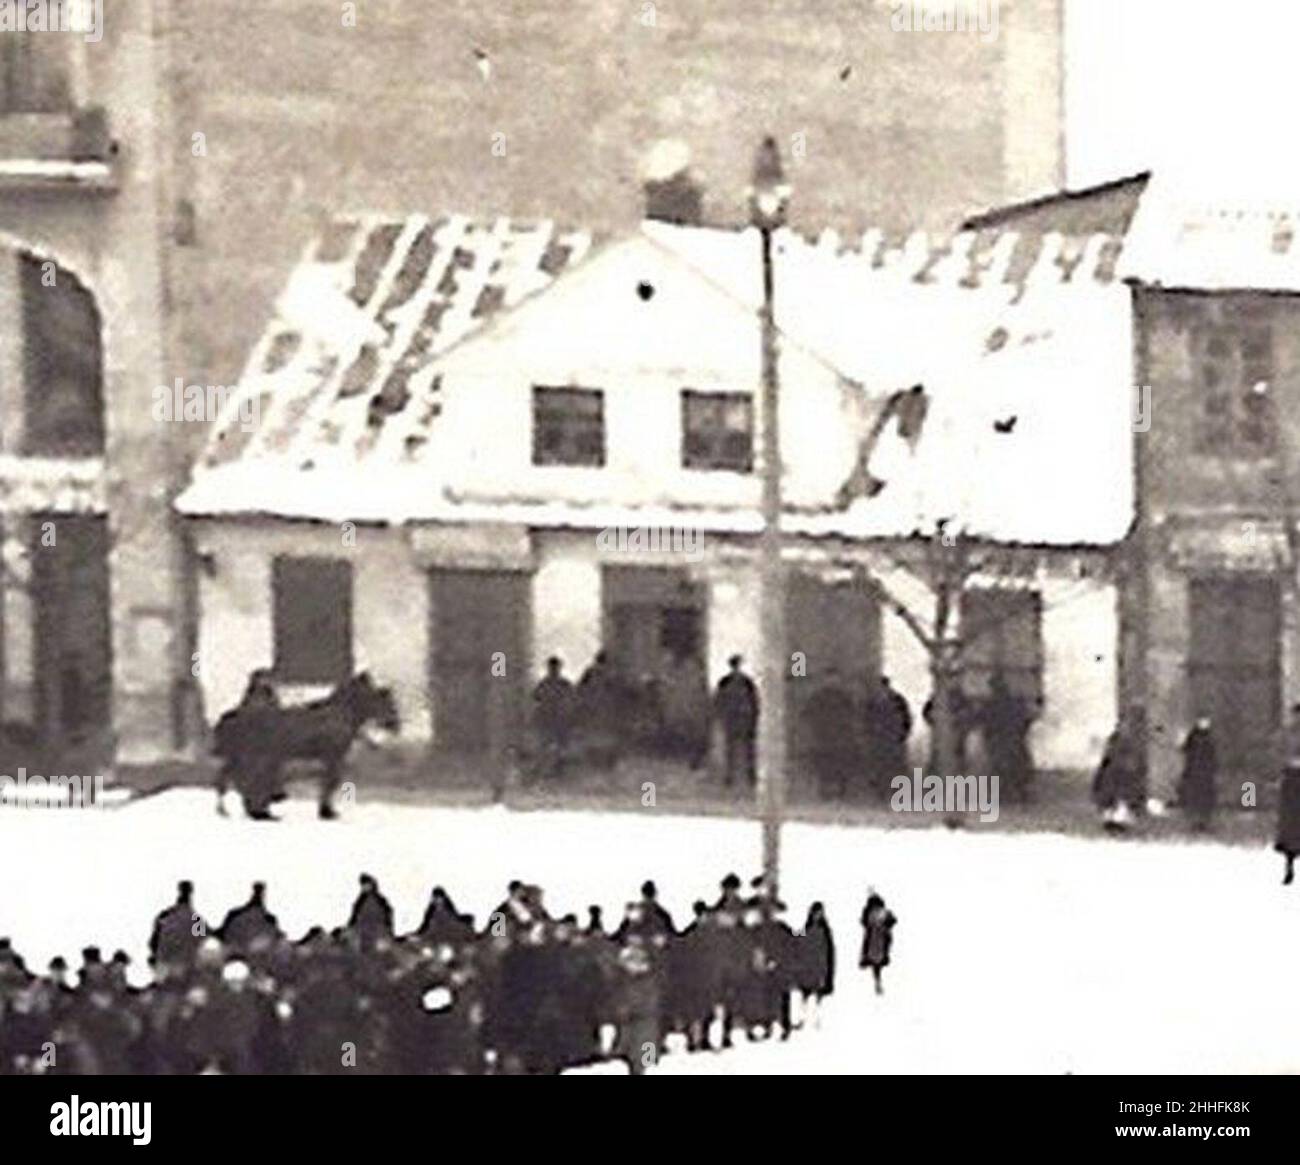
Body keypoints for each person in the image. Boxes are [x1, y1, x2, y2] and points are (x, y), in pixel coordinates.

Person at [982, 671, 1036, 804]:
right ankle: (1020, 793)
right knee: (1017, 766)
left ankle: (1005, 794)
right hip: (1014, 739)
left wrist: (989, 737)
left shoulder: (992, 704)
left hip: (1001, 740)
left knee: (1001, 768)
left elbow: (986, 722)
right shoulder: (1015, 702)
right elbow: (1025, 719)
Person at [806, 668, 860, 800]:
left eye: (835, 679)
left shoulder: (843, 697)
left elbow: (852, 714)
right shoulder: (819, 697)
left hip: (839, 736)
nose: (832, 682)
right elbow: (809, 713)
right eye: (830, 679)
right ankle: (826, 790)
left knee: (840, 762)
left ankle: (841, 789)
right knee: (825, 763)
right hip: (824, 735)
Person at [713, 655, 758, 788]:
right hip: (738, 718)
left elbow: (719, 700)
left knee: (737, 748)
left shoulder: (728, 682)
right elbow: (753, 700)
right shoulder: (744, 682)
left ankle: (739, 776)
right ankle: (741, 776)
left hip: (737, 718)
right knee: (741, 748)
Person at [149, 881, 206, 976]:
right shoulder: (196, 919)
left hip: (166, 969)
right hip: (186, 972)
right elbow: (203, 945)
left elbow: (152, 944)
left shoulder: (165, 916)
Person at [868, 677, 912, 799]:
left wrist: (903, 733)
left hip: (888, 737)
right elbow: (906, 717)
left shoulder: (877, 701)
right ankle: (888, 790)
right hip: (888, 737)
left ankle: (889, 791)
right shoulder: (896, 699)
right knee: (888, 764)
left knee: (888, 764)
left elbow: (906, 717)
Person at [577, 649, 621, 771]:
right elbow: (617, 691)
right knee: (605, 734)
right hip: (605, 708)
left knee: (594, 733)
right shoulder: (611, 674)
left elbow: (581, 689)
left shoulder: (590, 672)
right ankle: (605, 762)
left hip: (594, 707)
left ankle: (595, 760)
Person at [532, 657, 574, 781]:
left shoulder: (550, 684)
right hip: (550, 718)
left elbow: (536, 697)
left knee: (556, 746)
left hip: (557, 719)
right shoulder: (558, 684)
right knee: (548, 745)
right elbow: (536, 697)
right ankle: (548, 771)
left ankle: (556, 770)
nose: (554, 670)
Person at [1178, 716, 1218, 832]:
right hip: (1201, 773)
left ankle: (1199, 821)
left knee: (1198, 797)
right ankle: (1201, 821)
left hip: (1197, 772)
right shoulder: (1207, 740)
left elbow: (1184, 749)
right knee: (1201, 798)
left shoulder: (1195, 739)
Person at [1277, 707, 1300, 886]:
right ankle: (1289, 867)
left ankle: (1289, 866)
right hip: (1291, 780)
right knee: (1291, 825)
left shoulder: (1287, 734)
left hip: (1292, 779)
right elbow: (1280, 753)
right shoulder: (1287, 734)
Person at [858, 890, 896, 996]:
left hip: (877, 940)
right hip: (877, 940)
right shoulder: (879, 913)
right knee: (876, 961)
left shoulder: (875, 913)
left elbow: (892, 921)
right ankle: (877, 981)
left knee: (876, 960)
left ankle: (877, 980)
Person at [346, 874, 394, 950]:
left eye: (366, 884)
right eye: (363, 885)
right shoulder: (360, 901)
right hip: (363, 934)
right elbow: (354, 917)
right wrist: (350, 928)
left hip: (377, 932)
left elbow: (388, 914)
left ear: (371, 884)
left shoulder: (379, 900)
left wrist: (388, 931)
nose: (364, 887)